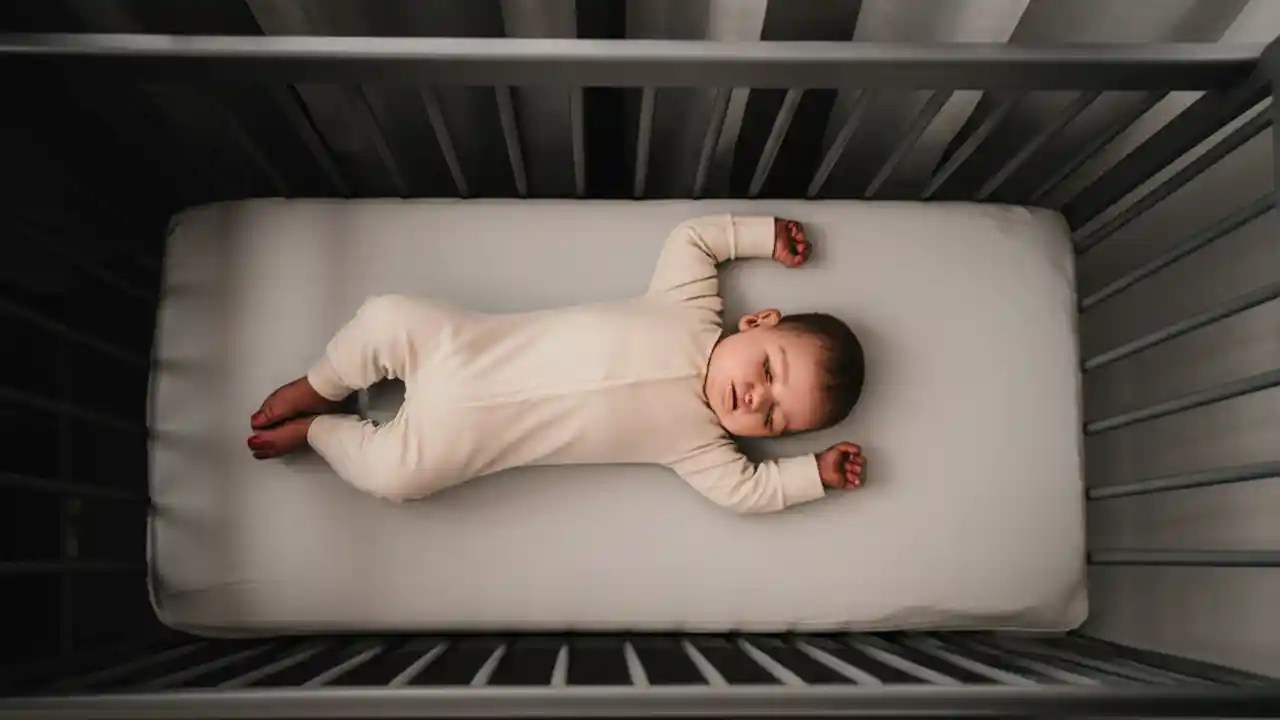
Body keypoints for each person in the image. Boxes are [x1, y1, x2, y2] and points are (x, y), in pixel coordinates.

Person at [247, 215, 866, 513]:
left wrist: (814, 474)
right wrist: (762, 236)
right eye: (768, 372)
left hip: (456, 443)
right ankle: (318, 385)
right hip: (460, 348)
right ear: (757, 323)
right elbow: (693, 239)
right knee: (387, 317)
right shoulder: (691, 306)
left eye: (778, 421)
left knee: (394, 477)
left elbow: (750, 492)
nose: (758, 400)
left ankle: (318, 430)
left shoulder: (704, 450)